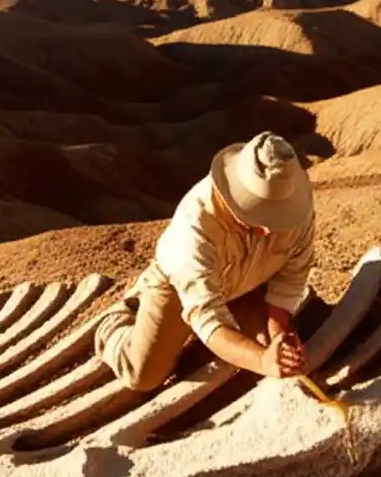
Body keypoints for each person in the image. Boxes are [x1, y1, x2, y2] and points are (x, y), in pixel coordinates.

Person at [94, 131, 315, 392]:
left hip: (244, 284)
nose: (269, 230)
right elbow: (208, 316)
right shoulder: (194, 229)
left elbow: (289, 281)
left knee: (274, 346)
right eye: (259, 217)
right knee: (143, 374)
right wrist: (262, 361)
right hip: (180, 290)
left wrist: (279, 339)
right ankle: (116, 322)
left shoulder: (293, 207)